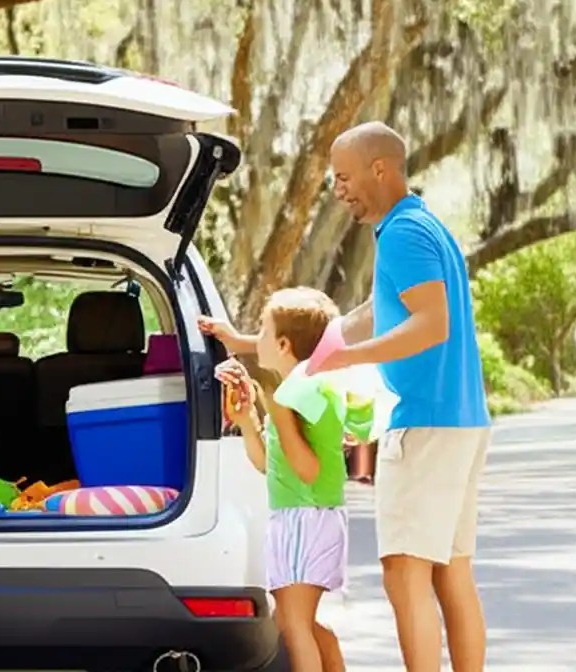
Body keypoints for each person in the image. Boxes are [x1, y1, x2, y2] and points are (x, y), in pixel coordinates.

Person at [310, 121, 492, 672]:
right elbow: (376, 313)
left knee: (403, 570)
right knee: (450, 571)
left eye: (344, 177)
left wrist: (346, 360)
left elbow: (431, 324)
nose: (338, 190)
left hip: (427, 424)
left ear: (379, 169)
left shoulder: (403, 235)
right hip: (461, 421)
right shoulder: (421, 225)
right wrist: (315, 345)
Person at [204, 287, 370, 672]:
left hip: (306, 518)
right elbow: (268, 464)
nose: (255, 339)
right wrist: (248, 420)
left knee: (294, 627)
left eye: (261, 331)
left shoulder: (304, 393)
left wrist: (275, 410)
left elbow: (308, 470)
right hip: (297, 516)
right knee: (297, 623)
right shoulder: (295, 390)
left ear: (282, 343)